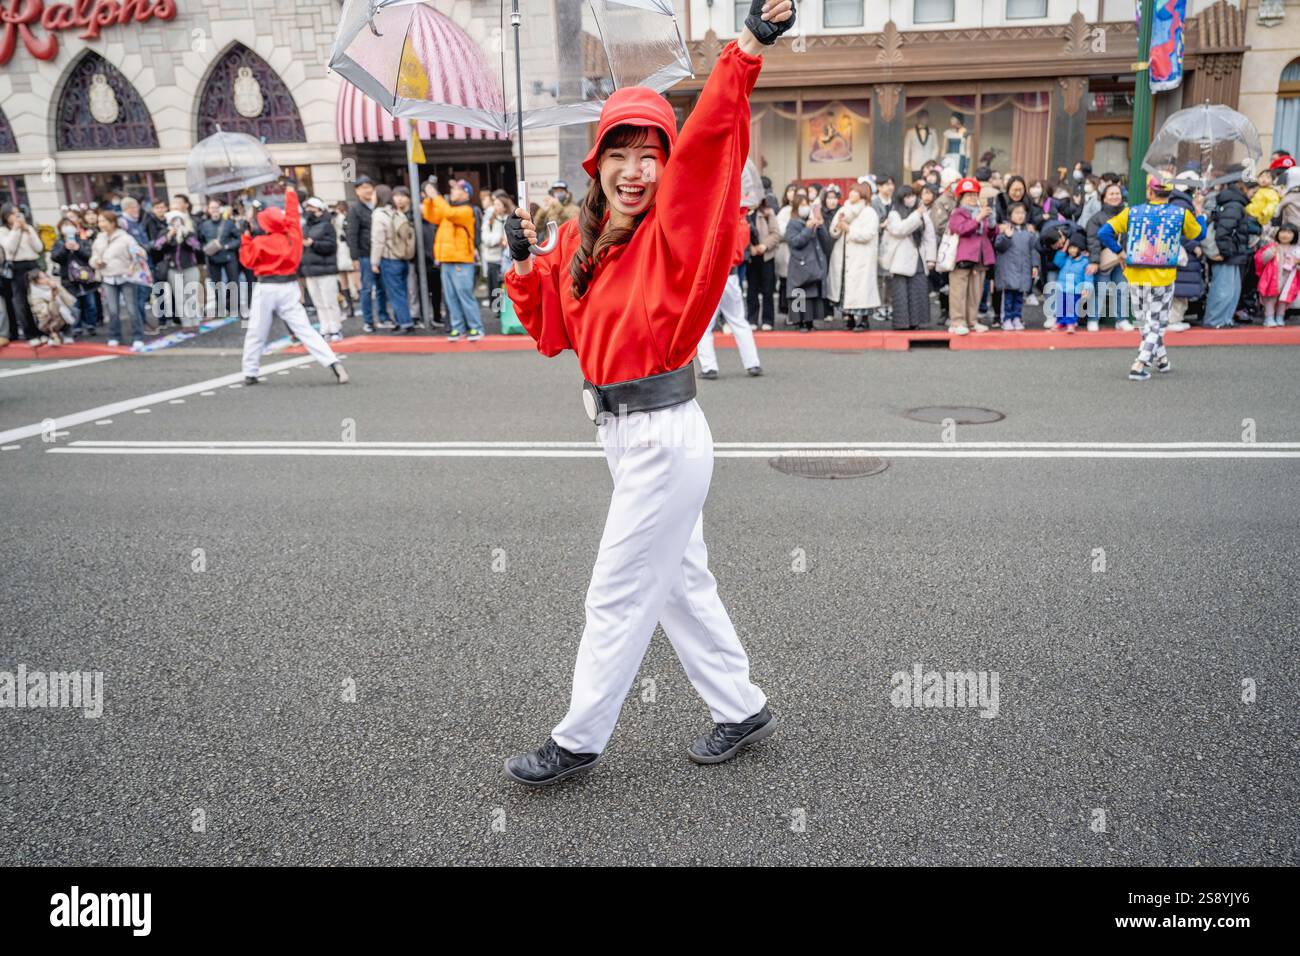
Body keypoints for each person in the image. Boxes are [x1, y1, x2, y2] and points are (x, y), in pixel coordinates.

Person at [499, 0, 793, 787]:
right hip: (618, 434)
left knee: (618, 591)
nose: (636, 169)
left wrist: (744, 51)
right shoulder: (576, 243)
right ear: (594, 161)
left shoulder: (676, 229)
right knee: (679, 584)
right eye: (618, 152)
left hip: (665, 435)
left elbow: (707, 151)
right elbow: (555, 336)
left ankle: (579, 739)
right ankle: (741, 705)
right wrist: (526, 265)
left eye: (649, 153)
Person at [1098, 171, 1204, 380]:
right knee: (1156, 322)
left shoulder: (1132, 212)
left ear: (1149, 191)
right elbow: (1199, 234)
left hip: (1135, 274)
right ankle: (1139, 363)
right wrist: (1200, 212)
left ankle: (1161, 359)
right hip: (1163, 277)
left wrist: (1120, 252)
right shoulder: (1180, 214)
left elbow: (1104, 233)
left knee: (1145, 321)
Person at [239, 188, 348, 385]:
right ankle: (332, 362)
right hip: (289, 285)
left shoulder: (260, 241)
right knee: (305, 328)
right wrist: (290, 194)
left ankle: (250, 371)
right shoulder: (293, 237)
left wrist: (246, 237)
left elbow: (247, 261)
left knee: (256, 330)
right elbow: (292, 217)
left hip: (266, 287)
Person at [697, 201, 762, 378]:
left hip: (713, 277)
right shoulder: (744, 225)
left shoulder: (718, 222)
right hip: (732, 276)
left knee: (704, 325)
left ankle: (709, 367)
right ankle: (753, 363)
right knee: (739, 321)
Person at [423, 178, 482, 340]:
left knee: (465, 295)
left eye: (456, 189)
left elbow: (447, 213)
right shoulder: (448, 209)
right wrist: (429, 198)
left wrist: (435, 196)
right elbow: (430, 216)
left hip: (461, 260)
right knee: (451, 297)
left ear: (466, 193)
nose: (452, 192)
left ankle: (476, 327)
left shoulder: (466, 210)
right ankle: (458, 327)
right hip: (446, 260)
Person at [1201, 178, 1257, 328]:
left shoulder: (1231, 203)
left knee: (1230, 290)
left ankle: (1222, 320)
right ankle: (1215, 321)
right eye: (1253, 191)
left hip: (1232, 253)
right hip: (1229, 254)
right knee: (1224, 290)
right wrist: (1226, 253)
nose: (1254, 195)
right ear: (1244, 188)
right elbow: (1224, 232)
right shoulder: (1235, 205)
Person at [880, 185, 936, 330]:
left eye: (912, 195)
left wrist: (931, 258)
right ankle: (902, 323)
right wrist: (916, 215)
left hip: (918, 257)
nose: (911, 199)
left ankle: (917, 322)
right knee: (901, 292)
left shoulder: (922, 213)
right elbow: (900, 230)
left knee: (918, 290)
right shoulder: (894, 214)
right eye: (907, 196)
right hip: (900, 259)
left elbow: (929, 236)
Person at [90, 210, 147, 350]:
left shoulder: (126, 238)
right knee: (112, 309)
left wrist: (133, 264)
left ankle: (138, 336)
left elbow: (138, 254)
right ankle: (114, 336)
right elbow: (93, 257)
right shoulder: (99, 239)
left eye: (103, 221)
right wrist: (96, 262)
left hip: (126, 277)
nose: (100, 224)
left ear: (113, 222)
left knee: (132, 308)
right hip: (108, 277)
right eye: (99, 221)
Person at [945, 177, 995, 334]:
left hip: (980, 256)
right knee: (958, 291)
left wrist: (992, 222)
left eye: (975, 194)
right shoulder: (957, 212)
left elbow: (990, 233)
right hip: (962, 257)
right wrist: (977, 218)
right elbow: (960, 229)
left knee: (976, 291)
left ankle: (972, 321)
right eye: (968, 195)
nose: (973, 198)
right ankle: (957, 322)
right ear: (961, 198)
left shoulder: (980, 211)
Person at [368, 184, 416, 335]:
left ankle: (404, 322)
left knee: (395, 293)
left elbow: (378, 241)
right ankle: (402, 319)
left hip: (389, 258)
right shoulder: (398, 212)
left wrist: (374, 262)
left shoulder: (379, 214)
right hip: (402, 257)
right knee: (401, 291)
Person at [831, 183, 879, 329]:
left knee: (862, 289)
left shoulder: (869, 212)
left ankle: (864, 320)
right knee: (846, 288)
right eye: (850, 191)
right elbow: (833, 232)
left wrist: (849, 229)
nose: (851, 194)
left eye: (855, 192)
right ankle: (849, 318)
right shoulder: (843, 210)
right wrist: (839, 225)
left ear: (862, 194)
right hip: (843, 255)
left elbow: (868, 234)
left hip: (861, 257)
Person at [1084, 181, 1129, 332]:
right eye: (1111, 194)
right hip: (1104, 259)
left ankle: (1121, 319)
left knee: (1121, 289)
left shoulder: (1127, 215)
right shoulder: (1096, 218)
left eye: (1118, 193)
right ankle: (1093, 319)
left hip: (1122, 259)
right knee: (1100, 290)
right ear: (1104, 198)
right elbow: (1093, 241)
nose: (1115, 196)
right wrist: (1095, 260)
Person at [786, 187, 831, 331]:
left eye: (807, 205)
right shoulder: (792, 223)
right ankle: (799, 322)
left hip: (813, 264)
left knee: (812, 294)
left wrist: (820, 224)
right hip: (799, 265)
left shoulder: (812, 221)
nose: (805, 208)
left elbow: (825, 240)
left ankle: (810, 321)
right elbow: (795, 242)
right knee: (799, 293)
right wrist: (807, 229)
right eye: (802, 205)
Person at [0, 204, 45, 345]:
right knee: (21, 302)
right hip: (17, 267)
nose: (17, 216)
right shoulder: (3, 231)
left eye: (19, 213)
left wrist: (28, 231)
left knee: (38, 298)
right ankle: (30, 333)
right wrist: (16, 230)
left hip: (32, 265)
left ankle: (43, 330)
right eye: (14, 214)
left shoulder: (29, 228)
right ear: (6, 217)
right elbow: (9, 248)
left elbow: (39, 248)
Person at [300, 197, 344, 342]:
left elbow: (331, 246)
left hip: (326, 269)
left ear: (319, 209)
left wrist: (314, 244)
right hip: (310, 269)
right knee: (318, 302)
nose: (308, 210)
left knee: (329, 301)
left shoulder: (327, 225)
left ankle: (335, 328)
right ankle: (324, 327)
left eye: (311, 207)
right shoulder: (305, 226)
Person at [346, 175, 386, 332]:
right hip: (364, 254)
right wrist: (354, 257)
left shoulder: (378, 206)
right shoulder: (355, 209)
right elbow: (352, 234)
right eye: (363, 187)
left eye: (369, 186)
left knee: (382, 287)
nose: (367, 190)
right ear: (357, 191)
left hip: (381, 254)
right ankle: (368, 320)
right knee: (367, 288)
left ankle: (384, 317)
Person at [51, 215, 100, 336]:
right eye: (65, 225)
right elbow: (55, 257)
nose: (68, 228)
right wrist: (65, 248)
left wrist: (78, 249)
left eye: (70, 225)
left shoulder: (82, 240)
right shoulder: (59, 242)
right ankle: (76, 327)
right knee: (74, 304)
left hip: (86, 278)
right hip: (69, 280)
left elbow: (89, 255)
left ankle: (91, 325)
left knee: (90, 304)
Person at [992, 202, 1038, 331]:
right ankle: (1006, 318)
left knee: (1019, 296)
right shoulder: (1005, 229)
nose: (1020, 216)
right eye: (1017, 213)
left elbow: (1033, 250)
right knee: (1008, 296)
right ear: (1010, 215)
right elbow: (999, 247)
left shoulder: (1028, 232)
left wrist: (1035, 265)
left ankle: (1017, 317)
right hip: (1008, 269)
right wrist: (1007, 236)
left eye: (1022, 213)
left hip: (1023, 268)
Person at [198, 198, 242, 319]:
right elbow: (199, 241)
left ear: (220, 209)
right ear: (208, 210)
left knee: (233, 282)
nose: (215, 210)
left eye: (216, 208)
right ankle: (220, 307)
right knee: (216, 284)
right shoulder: (204, 225)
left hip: (229, 256)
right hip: (212, 258)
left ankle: (232, 306)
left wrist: (228, 246)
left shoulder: (228, 223)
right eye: (212, 208)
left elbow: (239, 239)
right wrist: (205, 249)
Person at [746, 191, 779, 330]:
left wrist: (764, 246)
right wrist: (750, 248)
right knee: (751, 290)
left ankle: (768, 320)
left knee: (768, 289)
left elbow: (776, 233)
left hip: (766, 256)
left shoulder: (768, 212)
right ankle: (752, 319)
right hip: (751, 257)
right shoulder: (744, 214)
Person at [1255, 223, 1299, 327]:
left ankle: (1280, 317)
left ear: (1294, 235)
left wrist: (1297, 262)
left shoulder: (1296, 249)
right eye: (1283, 232)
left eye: (1289, 233)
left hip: (1288, 280)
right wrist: (1271, 252)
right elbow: (1260, 260)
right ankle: (1269, 317)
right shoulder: (1272, 246)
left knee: (1284, 300)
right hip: (1272, 279)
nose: (1285, 235)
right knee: (1270, 299)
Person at [1052, 230, 1091, 334]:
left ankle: (1071, 324)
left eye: (1074, 248)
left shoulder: (1085, 262)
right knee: (1061, 306)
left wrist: (1086, 289)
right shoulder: (1066, 259)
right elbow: (1057, 262)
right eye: (1070, 248)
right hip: (1062, 288)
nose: (1071, 250)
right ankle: (1060, 322)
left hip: (1074, 290)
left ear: (1080, 249)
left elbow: (1088, 277)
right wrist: (1064, 248)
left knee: (1071, 308)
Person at [27, 270, 74, 346]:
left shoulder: (54, 284)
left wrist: (57, 289)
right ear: (35, 281)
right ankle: (52, 335)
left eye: (46, 276)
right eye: (42, 278)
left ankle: (67, 334)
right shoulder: (35, 293)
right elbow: (44, 311)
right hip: (47, 317)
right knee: (51, 318)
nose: (46, 279)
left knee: (68, 312)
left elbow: (69, 300)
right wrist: (53, 296)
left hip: (60, 313)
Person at [333, 201, 358, 318]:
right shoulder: (336, 218)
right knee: (347, 278)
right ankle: (350, 303)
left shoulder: (343, 218)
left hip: (344, 249)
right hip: (341, 249)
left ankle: (351, 304)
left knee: (351, 278)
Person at [904, 109, 940, 180]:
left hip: (929, 165)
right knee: (916, 185)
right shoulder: (910, 132)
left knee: (928, 183)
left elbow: (936, 147)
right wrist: (906, 162)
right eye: (923, 117)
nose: (925, 119)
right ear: (918, 118)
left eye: (927, 117)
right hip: (916, 164)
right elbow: (906, 148)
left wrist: (931, 160)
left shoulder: (932, 132)